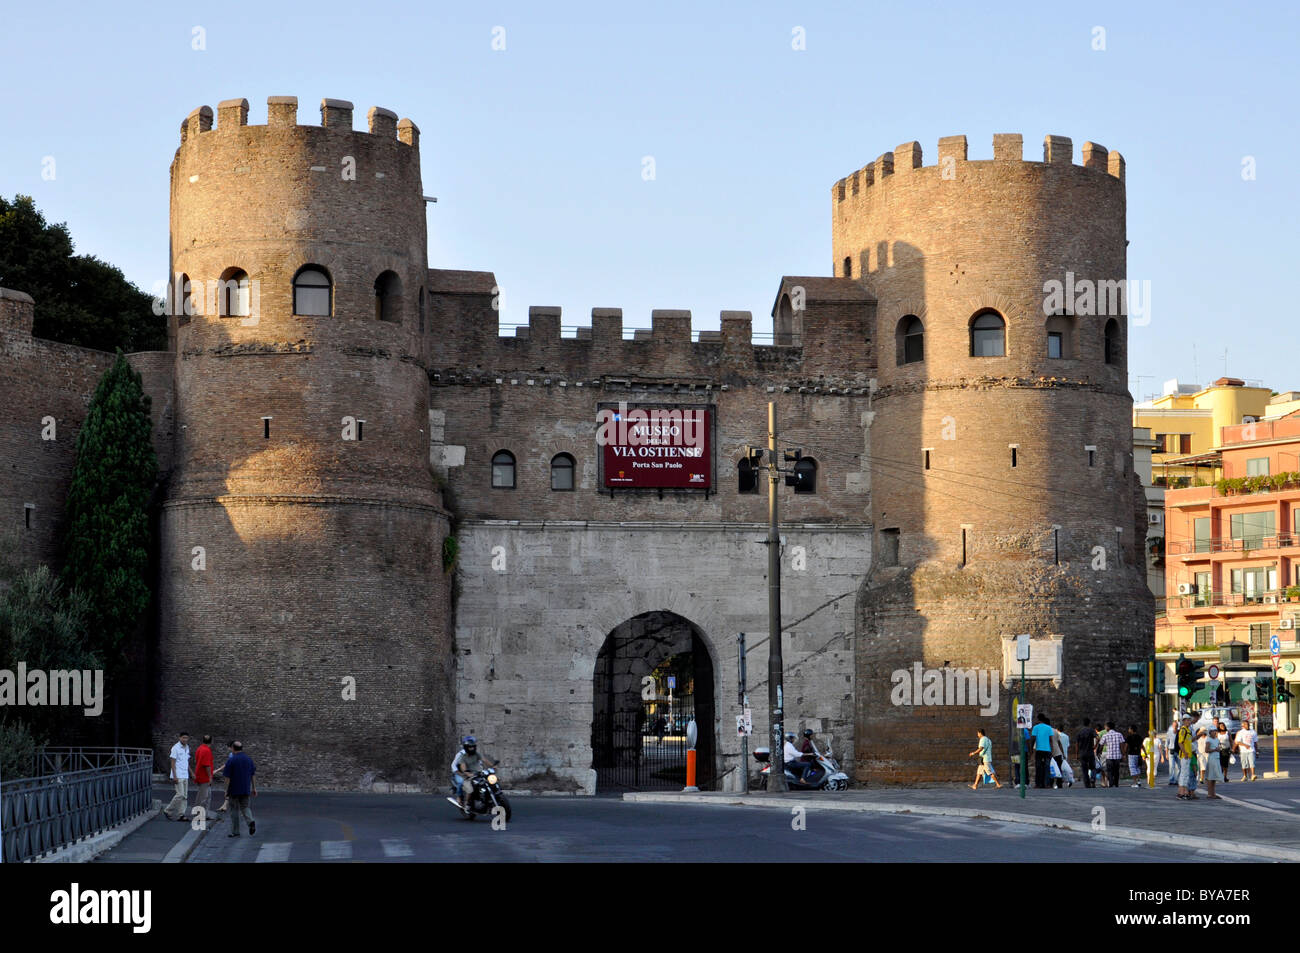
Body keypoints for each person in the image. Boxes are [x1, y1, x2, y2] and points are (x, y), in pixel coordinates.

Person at [452, 735, 498, 810]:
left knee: (490, 781)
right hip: (465, 774)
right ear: (466, 746)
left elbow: (484, 760)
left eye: (473, 746)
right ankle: (466, 803)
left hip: (477, 773)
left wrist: (492, 766)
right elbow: (461, 767)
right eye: (470, 746)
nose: (472, 748)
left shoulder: (476, 754)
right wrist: (465, 773)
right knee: (468, 788)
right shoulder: (462, 756)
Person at [223, 741, 256, 837]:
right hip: (246, 788)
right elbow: (253, 774)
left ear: (233, 748)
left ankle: (235, 831)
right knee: (245, 807)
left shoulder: (231, 760)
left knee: (234, 809)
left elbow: (227, 777)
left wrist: (226, 790)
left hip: (234, 789)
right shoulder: (249, 759)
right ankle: (251, 821)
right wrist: (254, 787)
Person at [164, 731, 191, 821]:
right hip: (178, 774)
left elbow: (186, 762)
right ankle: (168, 810)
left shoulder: (187, 747)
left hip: (185, 774)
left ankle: (181, 814)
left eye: (186, 738)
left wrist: (191, 773)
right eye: (183, 737)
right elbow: (173, 762)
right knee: (180, 794)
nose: (185, 739)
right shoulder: (175, 748)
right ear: (179, 738)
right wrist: (174, 776)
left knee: (185, 796)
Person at [1030, 714, 1056, 789]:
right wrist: (1052, 750)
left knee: (1038, 767)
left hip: (1039, 750)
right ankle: (1047, 784)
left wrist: (1031, 750)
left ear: (1038, 719)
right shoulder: (1049, 728)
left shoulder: (1036, 727)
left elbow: (1033, 739)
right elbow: (1051, 740)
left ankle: (1038, 784)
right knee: (1047, 767)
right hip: (1047, 750)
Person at [1176, 714, 1198, 800]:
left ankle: (1184, 791)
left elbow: (1189, 741)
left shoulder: (1188, 730)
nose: (1189, 722)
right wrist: (1184, 752)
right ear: (1184, 721)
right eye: (1187, 720)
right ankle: (1182, 792)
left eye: (1189, 720)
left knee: (1186, 774)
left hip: (1188, 755)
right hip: (1185, 755)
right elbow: (1180, 742)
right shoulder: (1183, 730)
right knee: (1184, 774)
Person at [193, 734, 214, 821]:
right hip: (204, 777)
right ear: (212, 741)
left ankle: (204, 814)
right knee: (204, 797)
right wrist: (210, 777)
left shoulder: (200, 749)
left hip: (200, 775)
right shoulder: (206, 750)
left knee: (204, 796)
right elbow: (207, 765)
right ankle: (200, 815)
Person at [1098, 722, 1125, 789]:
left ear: (1108, 727)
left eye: (1106, 727)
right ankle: (1116, 784)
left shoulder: (1105, 735)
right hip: (1117, 756)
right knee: (1116, 770)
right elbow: (1122, 746)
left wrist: (1099, 752)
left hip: (1109, 756)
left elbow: (1101, 745)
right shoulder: (1119, 734)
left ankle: (1111, 783)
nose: (1105, 728)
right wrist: (1123, 754)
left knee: (1109, 771)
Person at [1200, 727, 1223, 799]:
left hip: (1217, 758)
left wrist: (1219, 749)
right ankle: (1209, 794)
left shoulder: (1217, 739)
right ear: (1210, 732)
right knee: (1210, 777)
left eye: (1215, 731)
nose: (1214, 732)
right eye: (1212, 731)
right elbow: (1206, 750)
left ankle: (1213, 793)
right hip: (1212, 759)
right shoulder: (1208, 739)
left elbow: (1218, 747)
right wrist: (1214, 750)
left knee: (1214, 777)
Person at [1075, 719, 1097, 788]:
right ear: (1089, 723)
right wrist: (1095, 746)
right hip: (1090, 752)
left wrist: (1076, 754)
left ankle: (1087, 784)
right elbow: (1098, 738)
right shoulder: (1091, 730)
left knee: (1084, 769)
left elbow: (1077, 744)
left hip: (1082, 753)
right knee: (1093, 767)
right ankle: (1093, 778)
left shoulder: (1079, 732)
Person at [1166, 719, 1181, 786]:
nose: (1175, 727)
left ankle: (1177, 779)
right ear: (1172, 726)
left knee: (1179, 767)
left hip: (1178, 751)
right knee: (1171, 766)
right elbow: (1167, 743)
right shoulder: (1169, 733)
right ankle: (1171, 780)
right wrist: (1166, 753)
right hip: (1171, 750)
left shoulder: (1179, 733)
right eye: (1174, 726)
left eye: (1176, 726)